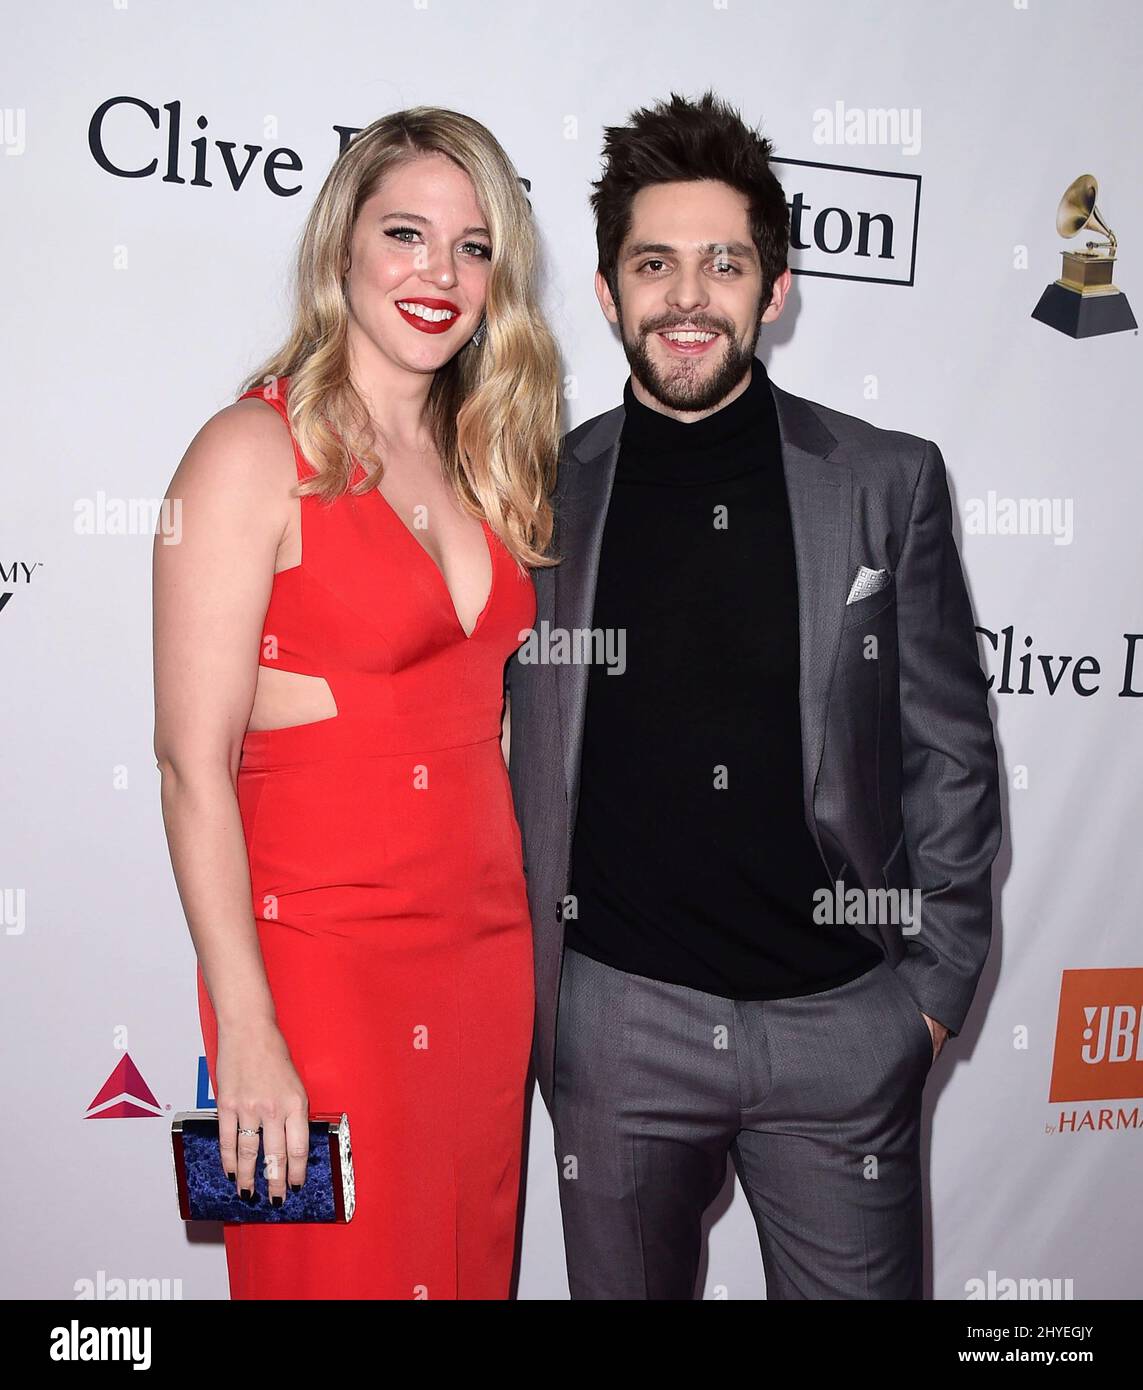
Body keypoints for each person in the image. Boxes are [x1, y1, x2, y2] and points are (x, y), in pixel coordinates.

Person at [506, 91, 1003, 1299]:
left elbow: (951, 751)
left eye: (724, 264)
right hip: (618, 1025)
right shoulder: (532, 492)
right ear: (610, 293)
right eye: (655, 264)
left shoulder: (888, 480)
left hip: (844, 1026)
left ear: (773, 291)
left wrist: (930, 996)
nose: (688, 298)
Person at [153, 106, 560, 1299]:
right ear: (342, 251)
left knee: (462, 1268)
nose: (440, 274)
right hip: (319, 969)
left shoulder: (490, 456)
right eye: (406, 234)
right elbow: (190, 764)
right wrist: (249, 1029)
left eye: (474, 246)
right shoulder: (248, 451)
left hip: (487, 963)